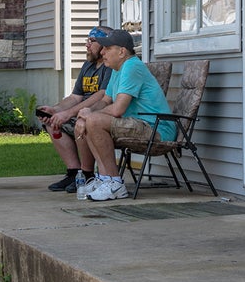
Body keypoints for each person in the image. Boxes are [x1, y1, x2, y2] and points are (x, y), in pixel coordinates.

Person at [73, 29, 173, 201]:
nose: (102, 52)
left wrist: (90, 114)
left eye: (107, 48)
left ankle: (115, 183)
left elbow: (117, 109)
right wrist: (85, 115)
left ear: (121, 51)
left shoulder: (131, 66)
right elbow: (105, 101)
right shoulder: (117, 69)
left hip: (156, 128)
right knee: (89, 121)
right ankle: (104, 178)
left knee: (94, 120)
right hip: (139, 123)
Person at [37, 24, 113, 193]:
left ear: (104, 44)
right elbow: (75, 97)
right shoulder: (88, 66)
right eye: (87, 40)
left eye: (91, 41)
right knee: (51, 121)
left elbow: (102, 95)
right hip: (81, 110)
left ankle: (87, 174)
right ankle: (74, 173)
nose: (87, 45)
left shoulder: (110, 67)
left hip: (98, 113)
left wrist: (69, 113)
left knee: (81, 121)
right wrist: (55, 110)